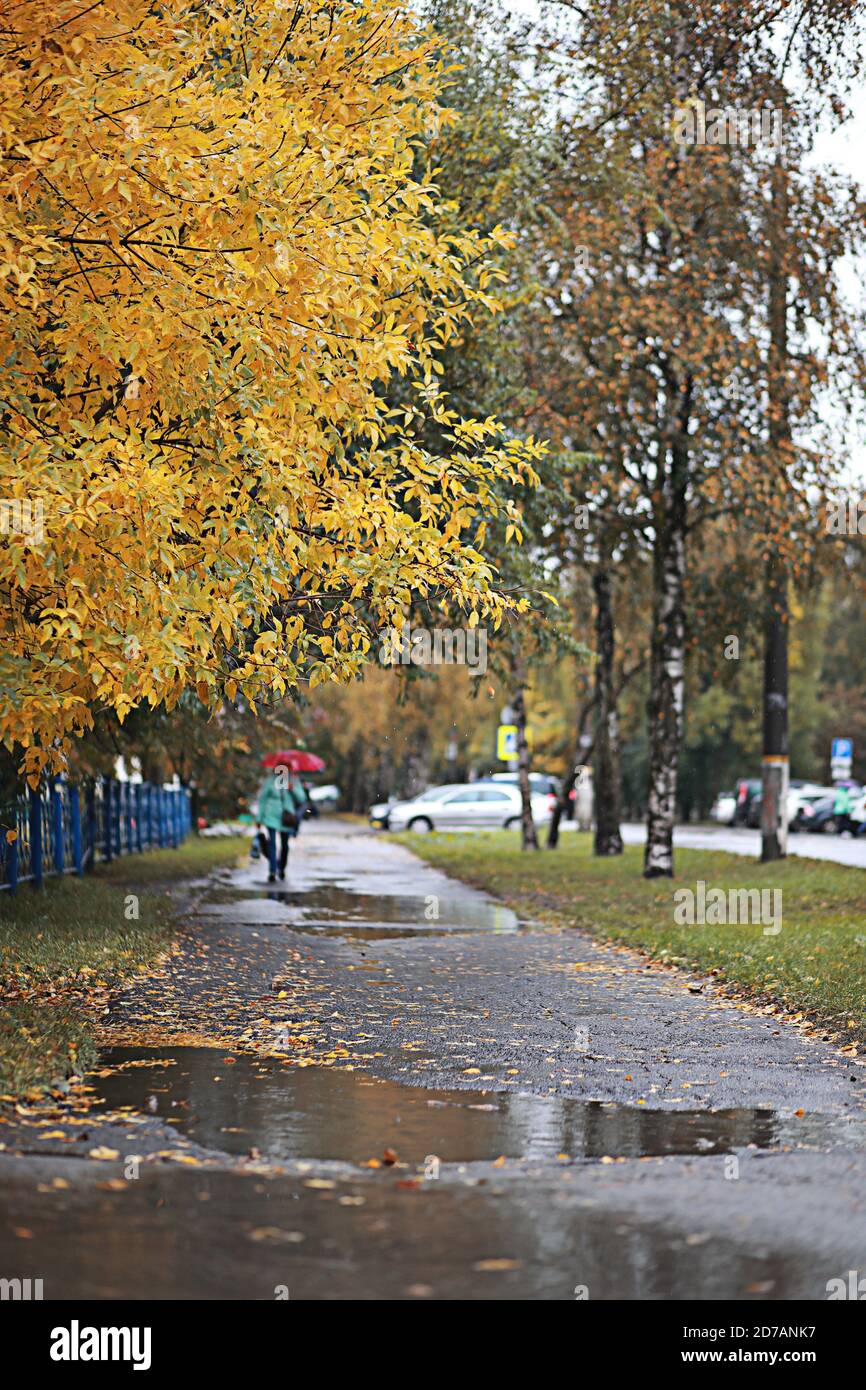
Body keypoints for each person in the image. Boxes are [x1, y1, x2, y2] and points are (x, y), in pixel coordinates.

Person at [257, 766, 307, 882]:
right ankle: (272, 871)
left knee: (285, 845)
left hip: (286, 817)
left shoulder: (293, 780)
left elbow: (302, 798)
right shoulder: (270, 781)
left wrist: (292, 789)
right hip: (271, 816)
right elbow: (263, 800)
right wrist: (259, 819)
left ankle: (281, 868)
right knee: (272, 844)